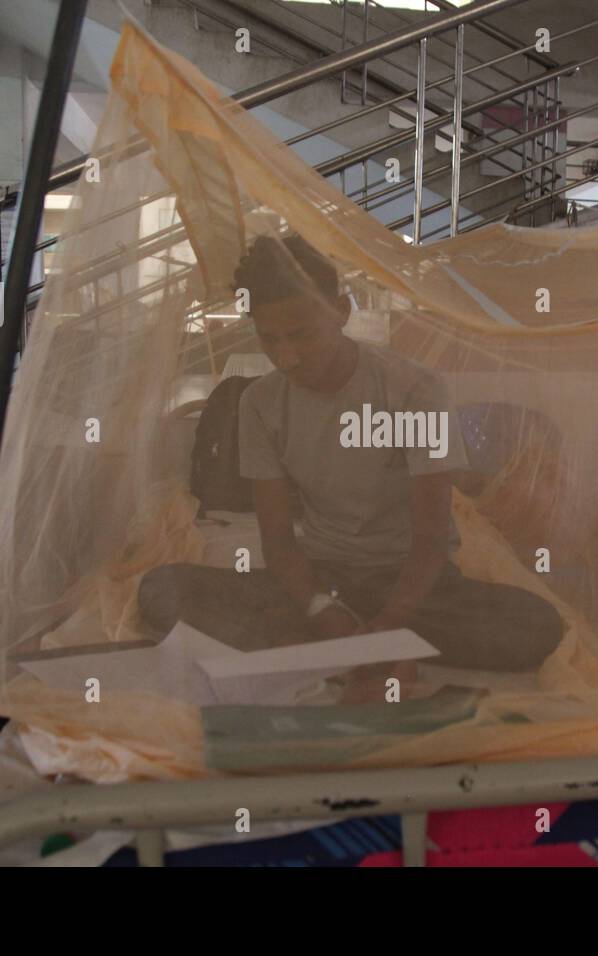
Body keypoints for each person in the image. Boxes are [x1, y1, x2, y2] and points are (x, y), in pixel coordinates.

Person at [138, 234, 563, 679]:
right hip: (321, 574)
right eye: (269, 339)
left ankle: (320, 642)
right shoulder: (259, 403)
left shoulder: (415, 390)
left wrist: (393, 618)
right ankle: (351, 640)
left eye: (301, 335)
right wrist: (319, 605)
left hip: (411, 583)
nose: (286, 357)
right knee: (161, 590)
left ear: (340, 312)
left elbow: (432, 537)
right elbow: (279, 542)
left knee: (535, 625)